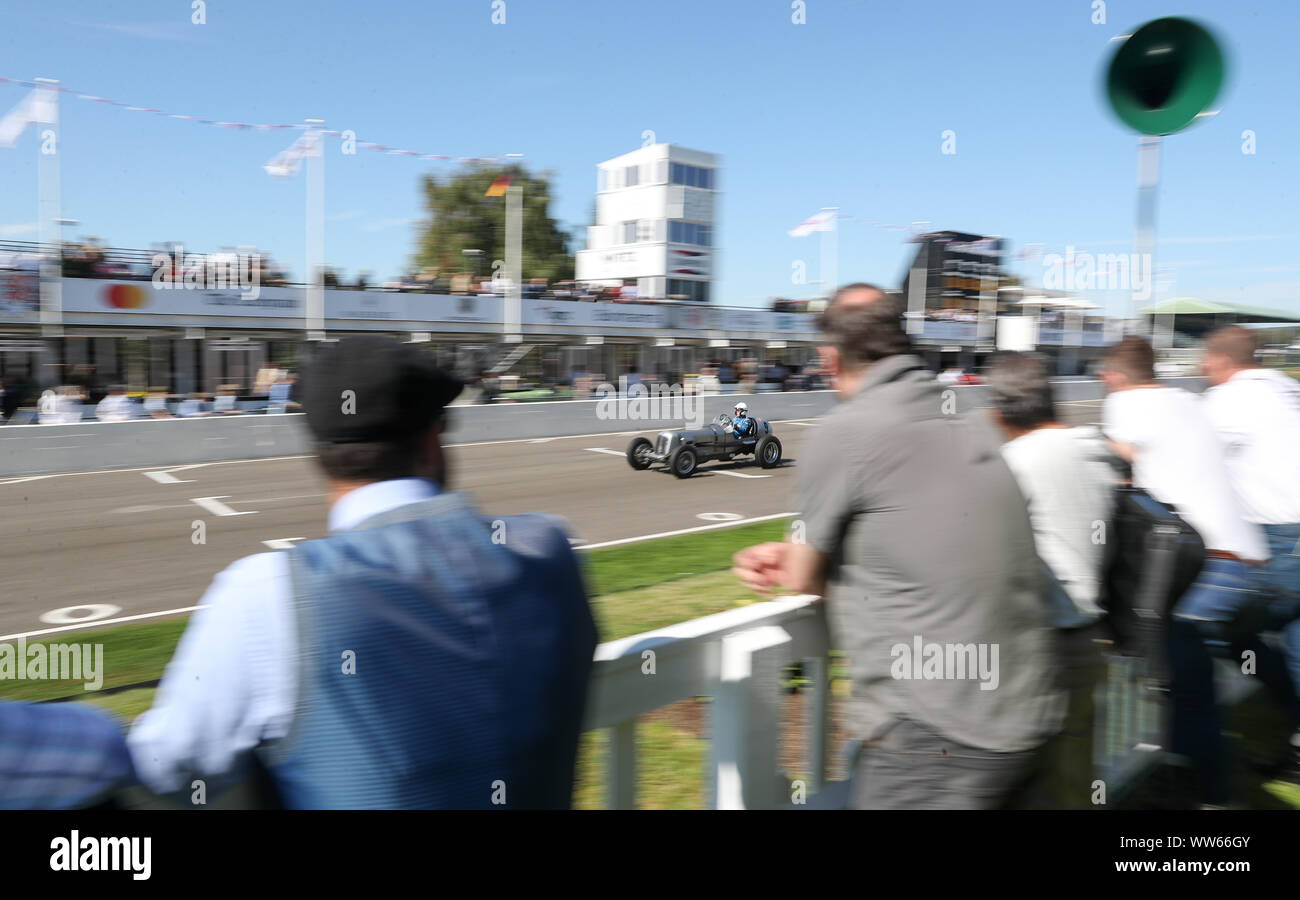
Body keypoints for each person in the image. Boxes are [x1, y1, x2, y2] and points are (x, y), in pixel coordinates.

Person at [126, 335, 598, 808]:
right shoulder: (551, 548)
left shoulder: (265, 593)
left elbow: (168, 767)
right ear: (433, 443)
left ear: (317, 456)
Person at [733, 284, 1064, 809]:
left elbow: (803, 580)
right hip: (1032, 710)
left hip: (938, 735)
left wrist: (795, 558)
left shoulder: (843, 431)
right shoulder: (973, 420)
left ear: (829, 358)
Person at [1100, 335, 1270, 807]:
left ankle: (1208, 792)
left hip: (1211, 565)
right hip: (1247, 561)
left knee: (1185, 682)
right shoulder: (1182, 399)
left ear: (1112, 376)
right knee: (1216, 670)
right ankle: (1184, 771)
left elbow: (1120, 458)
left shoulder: (1126, 402)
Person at [986, 351, 1116, 807]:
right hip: (1088, 644)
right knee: (1070, 788)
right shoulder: (1094, 451)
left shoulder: (1012, 463)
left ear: (998, 414)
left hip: (1034, 653)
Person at [1200, 325, 1300, 785]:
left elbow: (1190, 466)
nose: (1202, 366)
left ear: (1220, 360)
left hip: (1281, 541)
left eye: (1206, 358)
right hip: (1287, 538)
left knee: (1213, 627)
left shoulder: (1229, 399)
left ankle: (1200, 759)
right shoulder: (1286, 388)